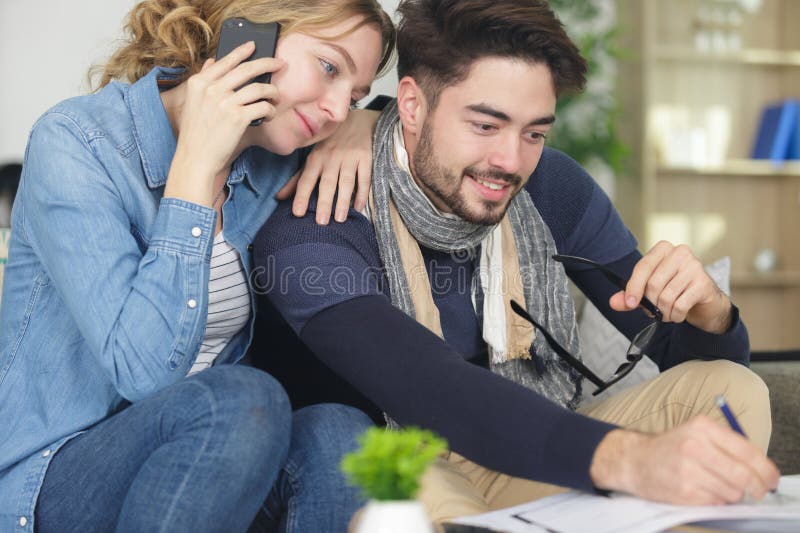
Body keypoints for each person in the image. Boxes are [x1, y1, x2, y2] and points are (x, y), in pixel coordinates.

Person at [253, 0, 780, 525]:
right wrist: (628, 460)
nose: (510, 162)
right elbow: (430, 386)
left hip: (528, 453)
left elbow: (674, 351)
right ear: (411, 105)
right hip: (404, 455)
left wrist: (711, 313)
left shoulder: (552, 187)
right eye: (486, 125)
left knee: (730, 388)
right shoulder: (315, 215)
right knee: (393, 482)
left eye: (534, 133)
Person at [0, 0, 395, 531]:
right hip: (54, 478)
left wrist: (369, 122)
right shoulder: (76, 141)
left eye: (355, 95)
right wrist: (196, 166)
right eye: (328, 67)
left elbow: (423, 130)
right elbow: (142, 372)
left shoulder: (277, 155)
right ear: (251, 33)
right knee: (239, 397)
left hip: (208, 467)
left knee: (341, 434)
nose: (337, 109)